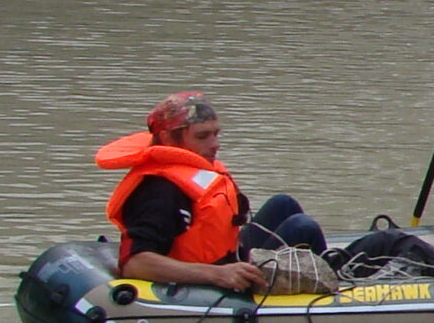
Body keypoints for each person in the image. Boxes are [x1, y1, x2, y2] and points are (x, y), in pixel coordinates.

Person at [96, 91, 326, 293]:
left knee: (283, 204)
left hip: (227, 257)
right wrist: (217, 274)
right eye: (202, 136)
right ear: (167, 139)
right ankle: (337, 294)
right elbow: (136, 263)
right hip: (209, 277)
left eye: (216, 134)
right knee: (302, 228)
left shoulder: (191, 171)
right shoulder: (160, 191)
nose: (215, 144)